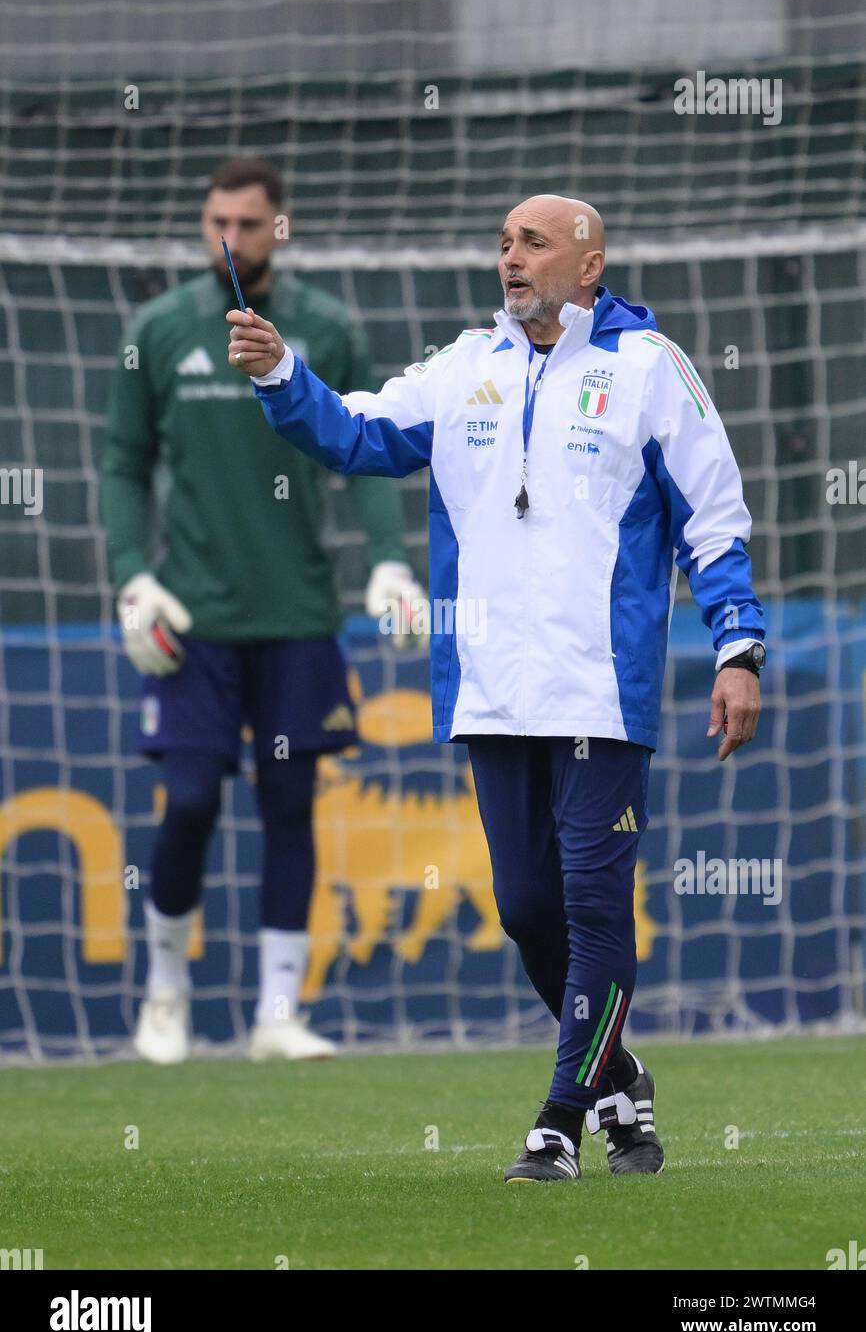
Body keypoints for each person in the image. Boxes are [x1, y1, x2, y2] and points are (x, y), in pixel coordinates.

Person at [225, 193, 765, 1180]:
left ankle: (559, 1116)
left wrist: (737, 647)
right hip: (487, 689)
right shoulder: (461, 368)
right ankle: (619, 1078)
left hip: (600, 692)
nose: (509, 258)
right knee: (523, 907)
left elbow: (713, 521)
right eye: (502, 244)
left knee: (595, 906)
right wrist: (281, 377)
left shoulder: (648, 370)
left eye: (532, 243)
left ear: (588, 265)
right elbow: (353, 434)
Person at [102, 156, 423, 1064]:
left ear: (279, 228)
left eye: (246, 224)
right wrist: (133, 575)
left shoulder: (326, 326)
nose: (229, 240)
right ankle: (165, 994)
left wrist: (392, 563)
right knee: (191, 800)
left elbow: (367, 446)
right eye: (215, 223)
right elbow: (122, 463)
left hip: (298, 616)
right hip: (193, 617)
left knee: (290, 802)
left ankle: (277, 1015)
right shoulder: (159, 329)